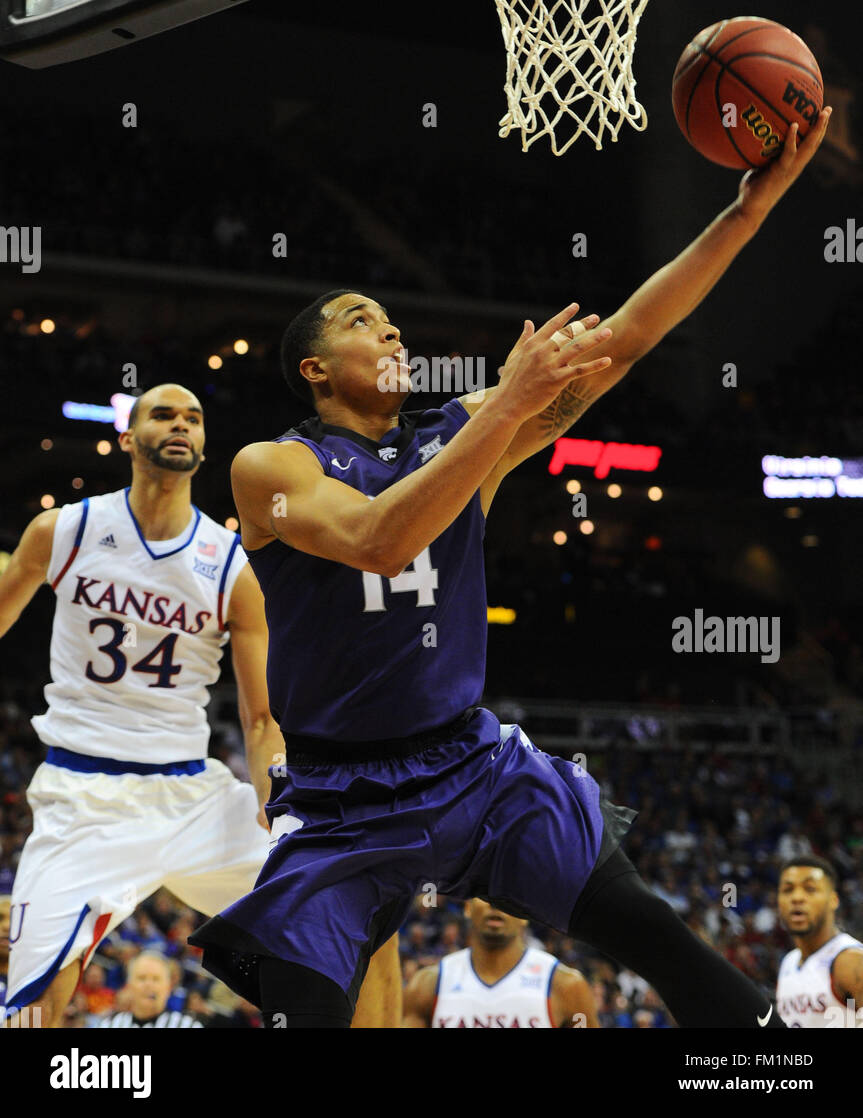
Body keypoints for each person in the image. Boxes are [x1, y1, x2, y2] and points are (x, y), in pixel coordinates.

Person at [191, 114, 830, 1028]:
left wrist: (747, 208)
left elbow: (631, 334)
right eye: (362, 323)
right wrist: (505, 415)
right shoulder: (271, 468)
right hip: (340, 798)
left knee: (652, 930)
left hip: (470, 765)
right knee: (304, 1007)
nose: (391, 328)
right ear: (315, 369)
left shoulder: (461, 433)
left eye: (393, 318)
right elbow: (378, 538)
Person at [0, 383, 396, 1026]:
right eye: (163, 414)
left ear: (205, 445)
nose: (180, 424)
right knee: (32, 1010)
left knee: (357, 895)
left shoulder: (231, 565)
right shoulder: (63, 531)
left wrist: (281, 802)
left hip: (191, 798)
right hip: (82, 793)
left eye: (194, 417)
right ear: (129, 437)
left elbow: (262, 717)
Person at [402, 898, 599, 1027]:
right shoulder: (427, 984)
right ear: (468, 908)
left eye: (507, 894)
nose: (495, 903)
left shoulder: (566, 985)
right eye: (485, 894)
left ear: (525, 915)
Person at [775, 856, 863, 1027]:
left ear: (833, 900)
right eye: (787, 890)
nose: (797, 898)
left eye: (810, 889)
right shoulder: (789, 962)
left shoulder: (850, 961)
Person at [98, 951, 200, 1029]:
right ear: (129, 986)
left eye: (156, 979)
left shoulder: (189, 1026)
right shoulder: (108, 1025)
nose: (149, 985)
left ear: (168, 987)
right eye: (142, 978)